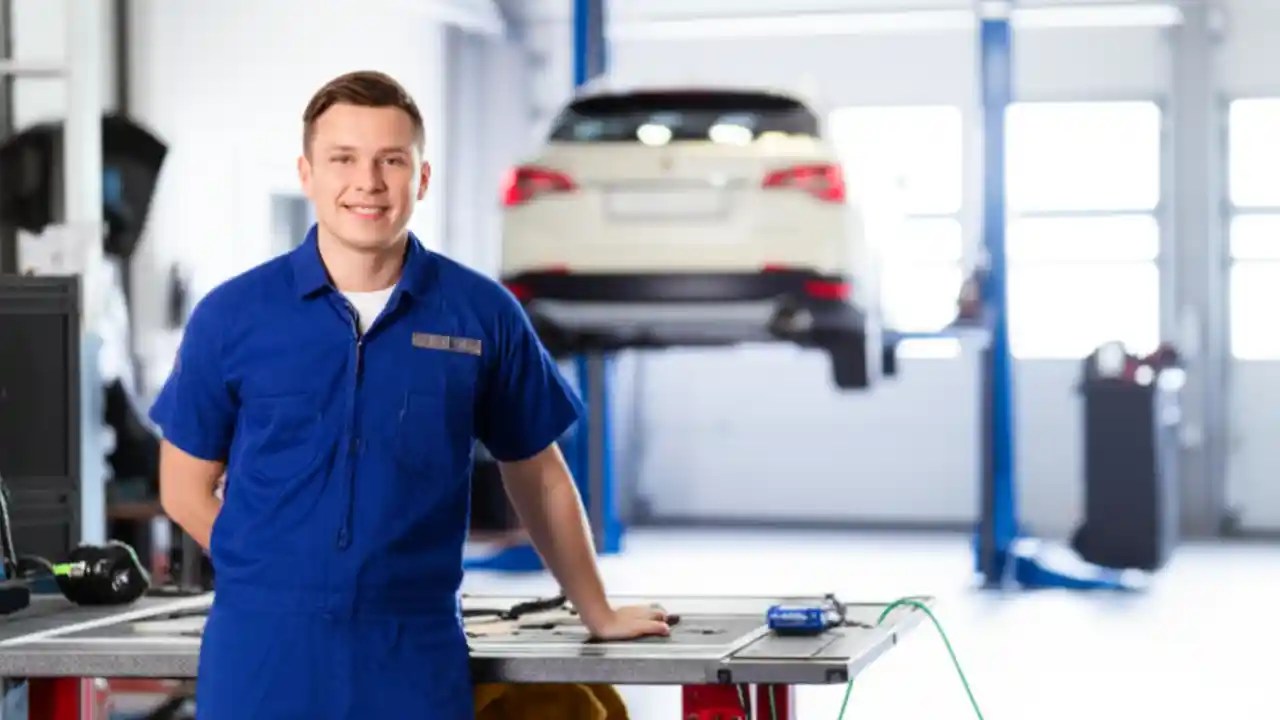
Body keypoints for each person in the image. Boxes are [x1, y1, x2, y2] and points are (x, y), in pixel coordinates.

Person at [150, 69, 670, 719]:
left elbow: (539, 478)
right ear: (307, 173)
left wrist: (597, 610)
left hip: (413, 654)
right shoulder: (232, 317)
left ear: (421, 178)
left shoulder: (481, 315)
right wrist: (271, 572)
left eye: (391, 161)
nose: (367, 183)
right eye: (343, 159)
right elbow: (183, 485)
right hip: (262, 654)